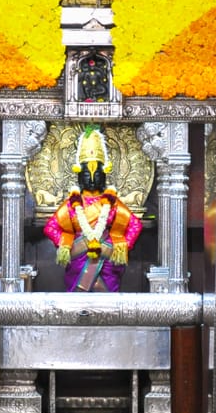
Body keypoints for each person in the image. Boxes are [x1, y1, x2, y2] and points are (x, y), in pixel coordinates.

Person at [44, 125, 142, 293]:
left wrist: (118, 246)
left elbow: (135, 225)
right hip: (78, 261)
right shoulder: (72, 204)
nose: (91, 179)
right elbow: (50, 228)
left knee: (108, 306)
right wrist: (68, 244)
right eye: (86, 174)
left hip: (107, 263)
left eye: (96, 174)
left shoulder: (112, 203)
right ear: (79, 176)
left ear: (103, 175)